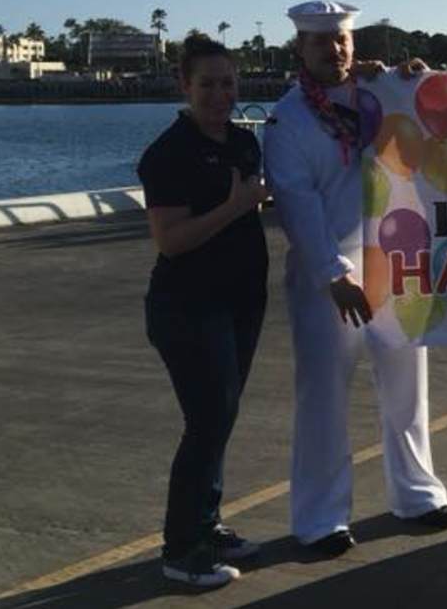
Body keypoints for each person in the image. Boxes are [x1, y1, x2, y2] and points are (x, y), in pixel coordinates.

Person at [264, 0, 447, 559]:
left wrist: (419, 80)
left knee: (406, 387)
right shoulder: (288, 119)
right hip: (329, 273)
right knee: (323, 395)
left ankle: (417, 494)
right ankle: (321, 518)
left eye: (343, 39)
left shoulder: (381, 94)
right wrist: (332, 273)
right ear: (300, 48)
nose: (336, 49)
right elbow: (297, 204)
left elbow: (434, 131)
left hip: (396, 262)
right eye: (321, 41)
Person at [138, 34, 268, 587]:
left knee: (222, 418)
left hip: (240, 302)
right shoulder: (169, 154)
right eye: (207, 84)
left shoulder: (242, 142)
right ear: (184, 86)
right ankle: (181, 548)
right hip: (188, 307)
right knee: (207, 419)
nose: (220, 94)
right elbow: (171, 240)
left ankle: (207, 524)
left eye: (228, 83)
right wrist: (236, 205)